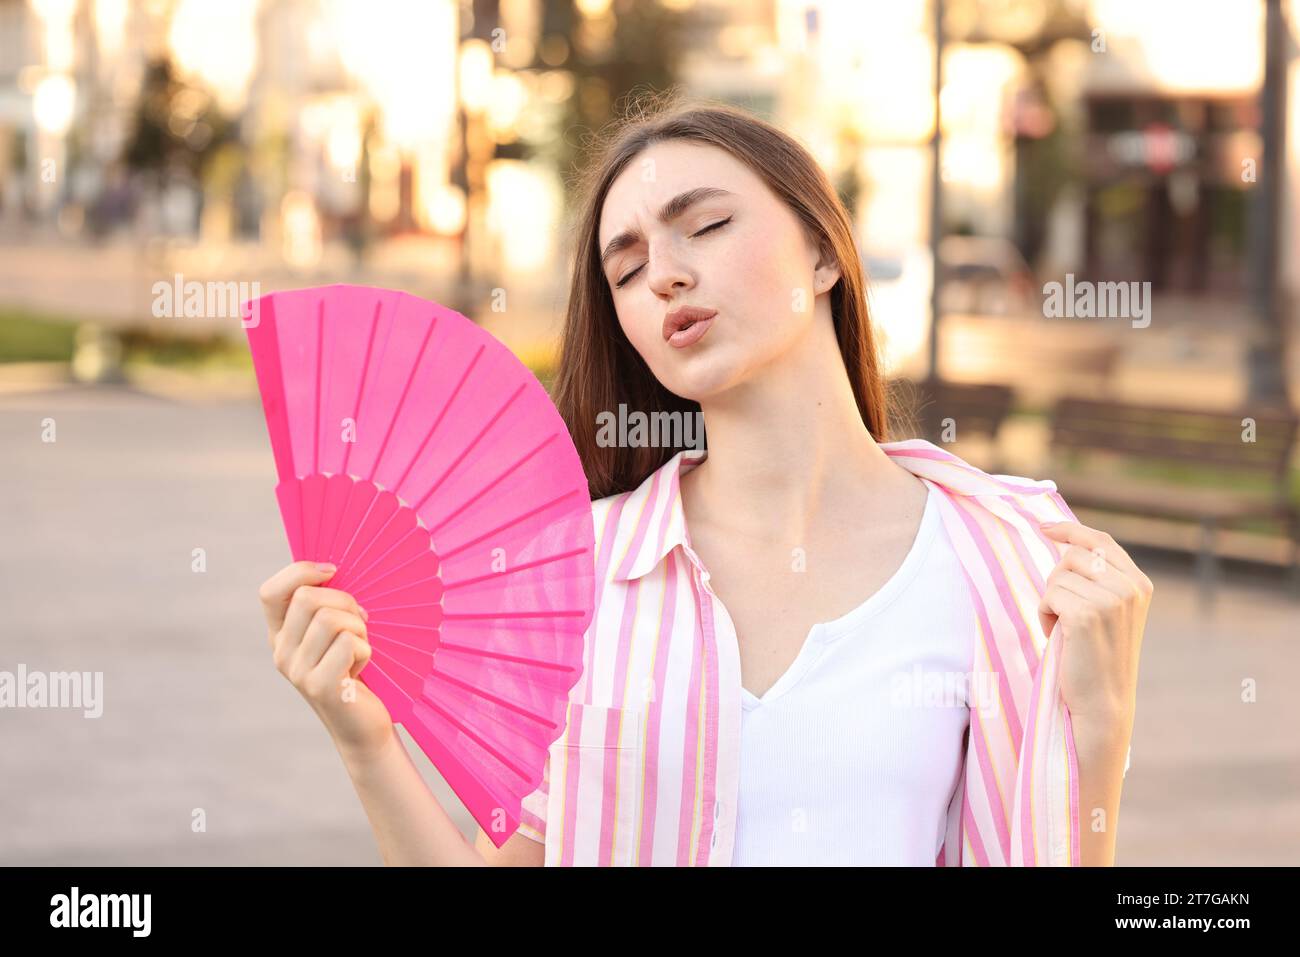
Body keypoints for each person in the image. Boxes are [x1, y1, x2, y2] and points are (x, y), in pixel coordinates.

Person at [258, 96, 1151, 867]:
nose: (667, 275)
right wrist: (364, 735)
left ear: (823, 252)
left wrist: (1099, 733)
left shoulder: (1003, 563)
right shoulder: (579, 574)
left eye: (708, 225)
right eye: (628, 267)